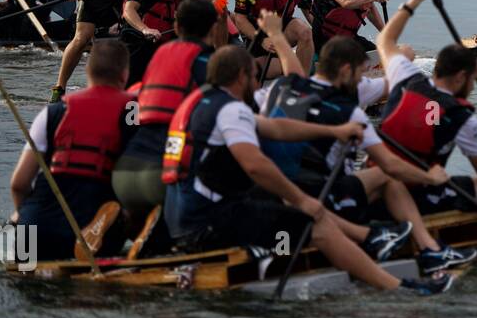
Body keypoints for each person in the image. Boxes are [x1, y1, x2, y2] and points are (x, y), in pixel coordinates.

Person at [162, 45, 452, 294]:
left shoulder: (199, 100)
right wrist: (303, 201)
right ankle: (397, 288)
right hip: (208, 222)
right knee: (314, 223)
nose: (256, 81)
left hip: (179, 216)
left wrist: (333, 130)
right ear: (241, 77)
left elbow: (275, 127)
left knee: (279, 202)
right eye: (253, 76)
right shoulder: (231, 110)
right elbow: (255, 165)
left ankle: (366, 241)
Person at [257, 33, 477, 274]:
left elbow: (292, 70)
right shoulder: (349, 112)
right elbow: (391, 165)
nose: (362, 79)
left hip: (275, 192)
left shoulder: (278, 87)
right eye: (361, 73)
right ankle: (424, 249)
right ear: (345, 71)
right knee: (385, 174)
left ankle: (417, 246)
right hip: (319, 197)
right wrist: (430, 177)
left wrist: (278, 36)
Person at [375, 0, 477, 261]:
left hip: (378, 186)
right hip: (418, 193)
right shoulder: (462, 116)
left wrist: (414, 0)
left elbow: (385, 40)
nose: (473, 87)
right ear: (460, 77)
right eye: (473, 80)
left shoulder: (404, 77)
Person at [9, 40, 137, 260]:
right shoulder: (132, 109)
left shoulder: (53, 112)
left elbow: (19, 184)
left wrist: (22, 213)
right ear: (125, 75)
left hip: (37, 228)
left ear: (87, 70)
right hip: (94, 234)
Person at [111, 0, 220, 250]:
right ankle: (157, 243)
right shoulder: (206, 63)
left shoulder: (160, 55)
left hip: (124, 172)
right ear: (213, 28)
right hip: (162, 178)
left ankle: (122, 230)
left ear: (177, 26)